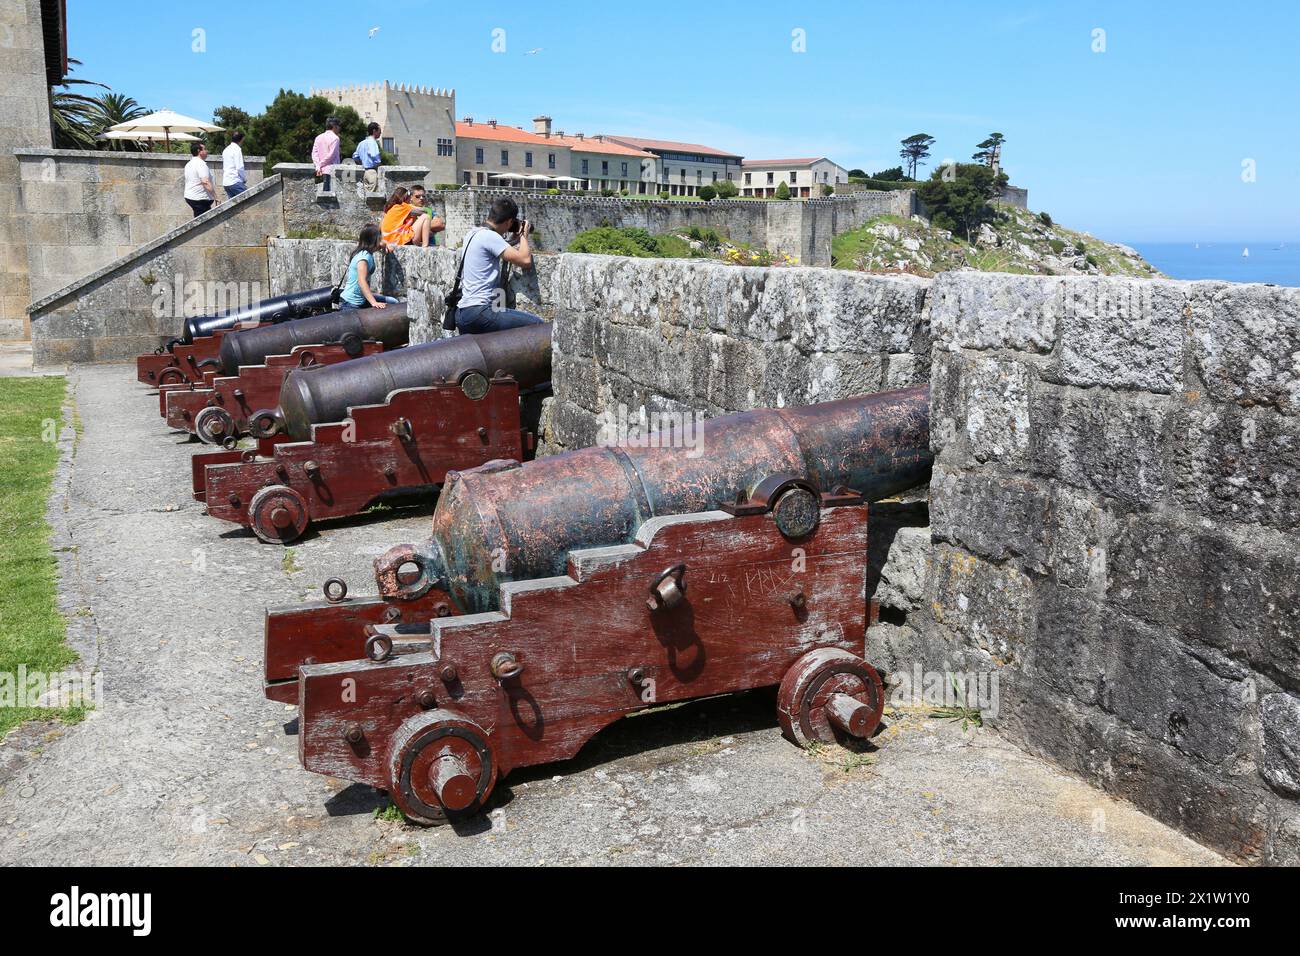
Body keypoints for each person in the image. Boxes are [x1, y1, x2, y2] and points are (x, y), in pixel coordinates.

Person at [453, 197, 543, 333]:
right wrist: (524, 235)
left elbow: (502, 249)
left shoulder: (473, 233)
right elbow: (525, 261)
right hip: (481, 312)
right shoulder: (490, 237)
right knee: (539, 325)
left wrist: (514, 239)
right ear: (509, 222)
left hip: (463, 313)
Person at [338, 224, 399, 310]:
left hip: (360, 299)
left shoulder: (367, 252)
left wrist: (387, 243)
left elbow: (383, 242)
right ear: (373, 240)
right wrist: (373, 302)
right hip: (351, 303)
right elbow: (361, 281)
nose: (381, 239)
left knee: (392, 301)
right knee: (392, 302)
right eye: (379, 237)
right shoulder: (364, 257)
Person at [183, 142, 218, 216]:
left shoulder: (189, 163)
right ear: (199, 151)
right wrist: (216, 197)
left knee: (200, 219)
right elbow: (205, 182)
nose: (207, 151)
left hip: (191, 197)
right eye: (204, 149)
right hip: (200, 199)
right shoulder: (200, 164)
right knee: (204, 223)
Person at [311, 116, 341, 193]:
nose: (339, 128)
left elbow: (314, 153)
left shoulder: (318, 137)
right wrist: (320, 164)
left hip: (319, 171)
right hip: (330, 171)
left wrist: (318, 165)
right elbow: (331, 155)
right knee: (330, 197)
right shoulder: (335, 138)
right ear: (334, 126)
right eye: (338, 126)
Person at [353, 122, 383, 192]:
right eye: (379, 131)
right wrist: (381, 166)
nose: (380, 133)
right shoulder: (373, 142)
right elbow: (375, 157)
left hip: (364, 172)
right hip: (372, 171)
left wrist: (362, 163)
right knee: (373, 195)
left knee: (367, 195)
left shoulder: (361, 143)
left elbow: (355, 157)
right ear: (374, 131)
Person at [221, 131, 247, 198]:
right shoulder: (237, 149)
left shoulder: (226, 150)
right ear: (241, 140)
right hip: (235, 181)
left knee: (234, 206)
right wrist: (244, 179)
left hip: (226, 182)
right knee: (249, 200)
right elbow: (239, 167)